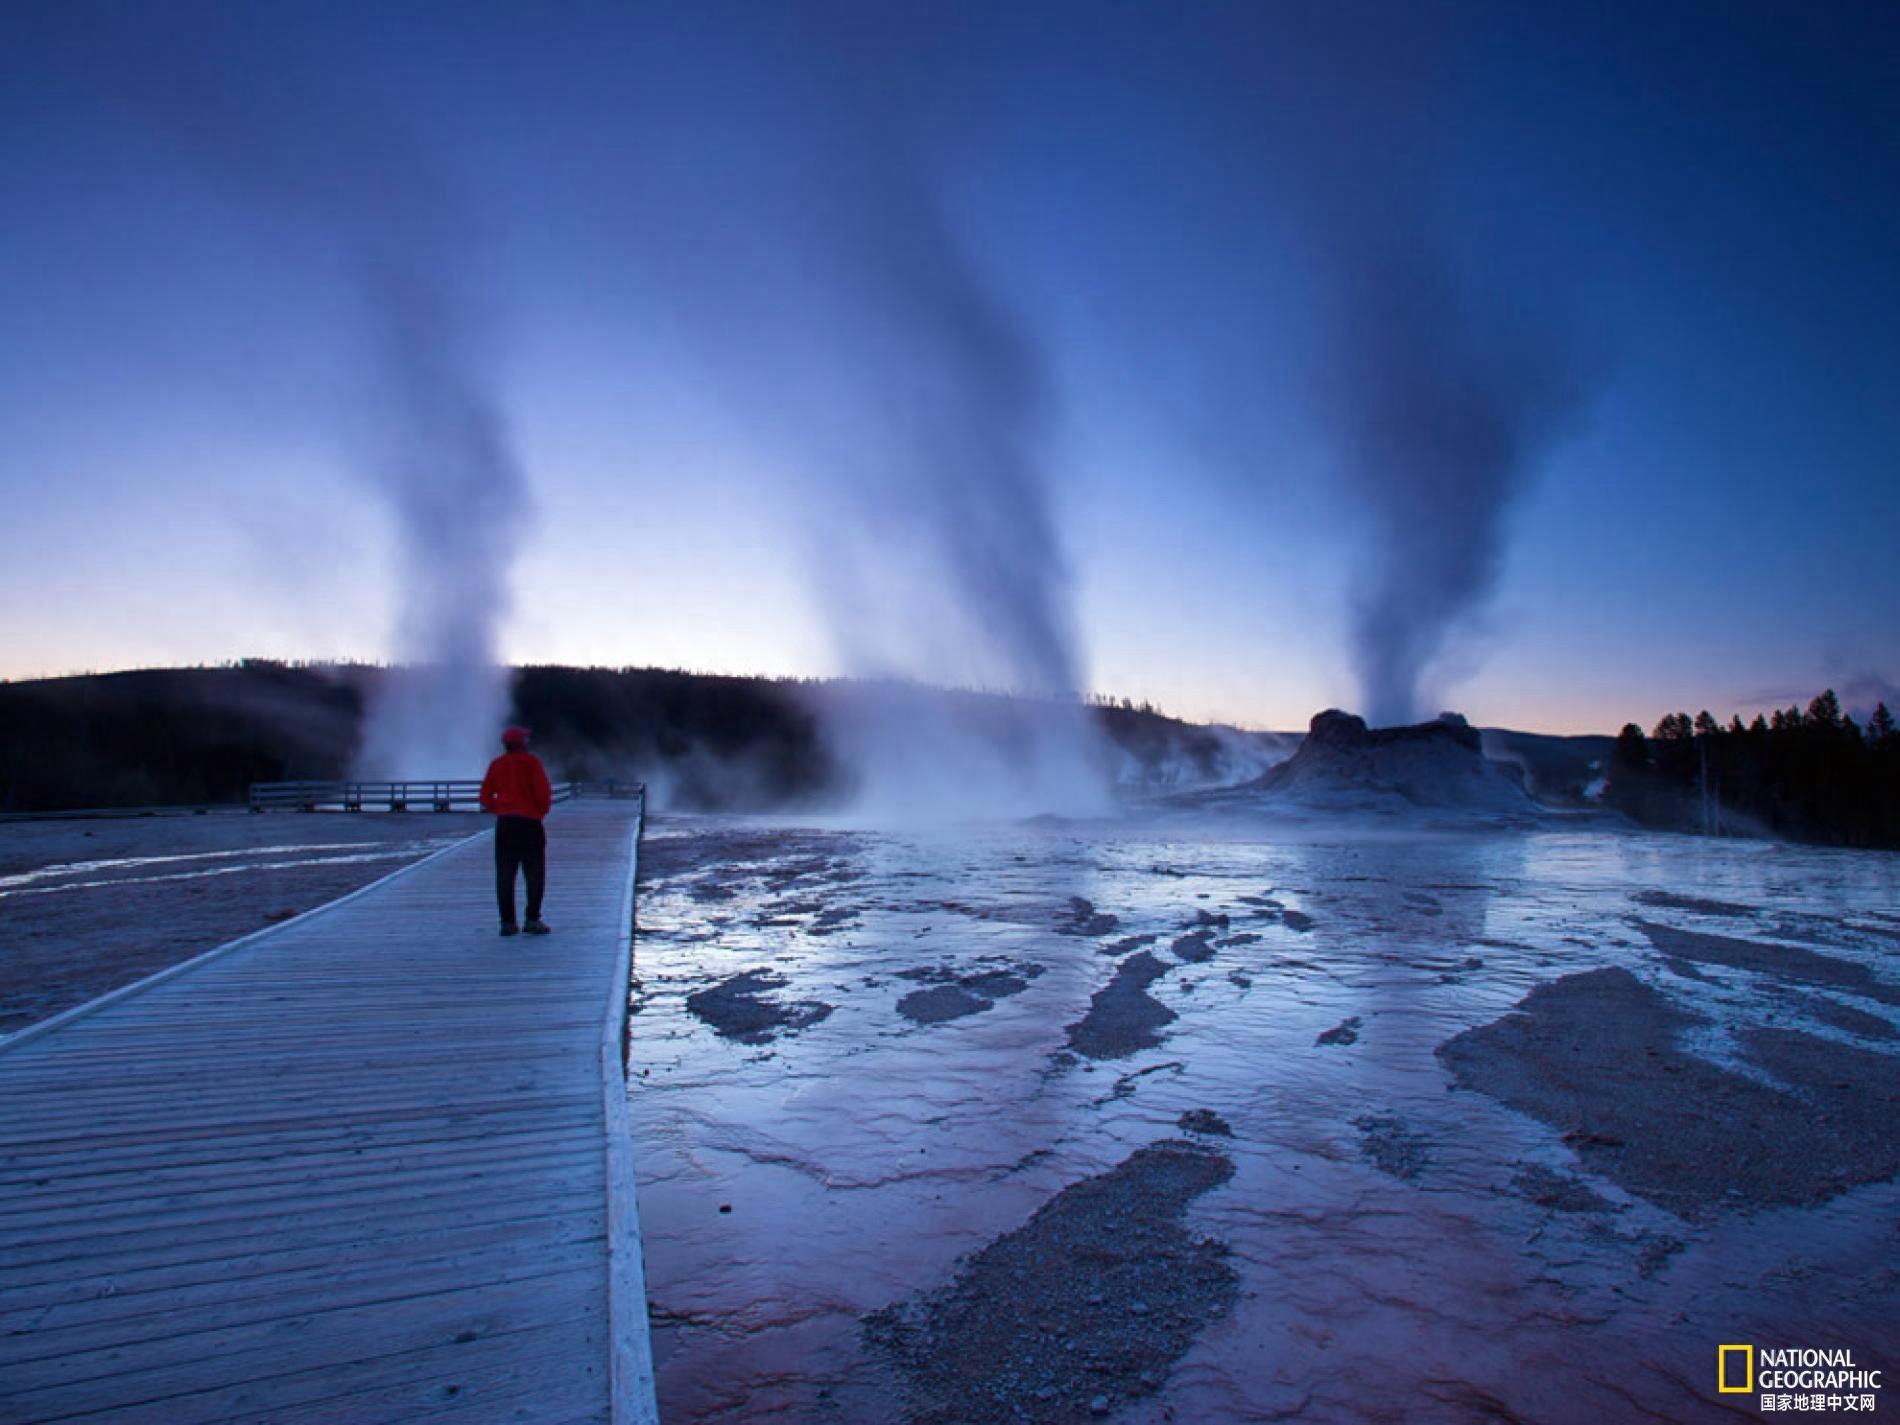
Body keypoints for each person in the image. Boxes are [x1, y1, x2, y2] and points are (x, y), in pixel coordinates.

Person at [479, 725, 553, 936]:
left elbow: (485, 797)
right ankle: (532, 919)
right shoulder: (532, 763)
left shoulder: (497, 765)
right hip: (530, 824)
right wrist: (539, 813)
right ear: (522, 743)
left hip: (506, 825)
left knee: (504, 875)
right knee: (535, 873)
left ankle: (507, 923)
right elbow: (543, 793)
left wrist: (499, 810)